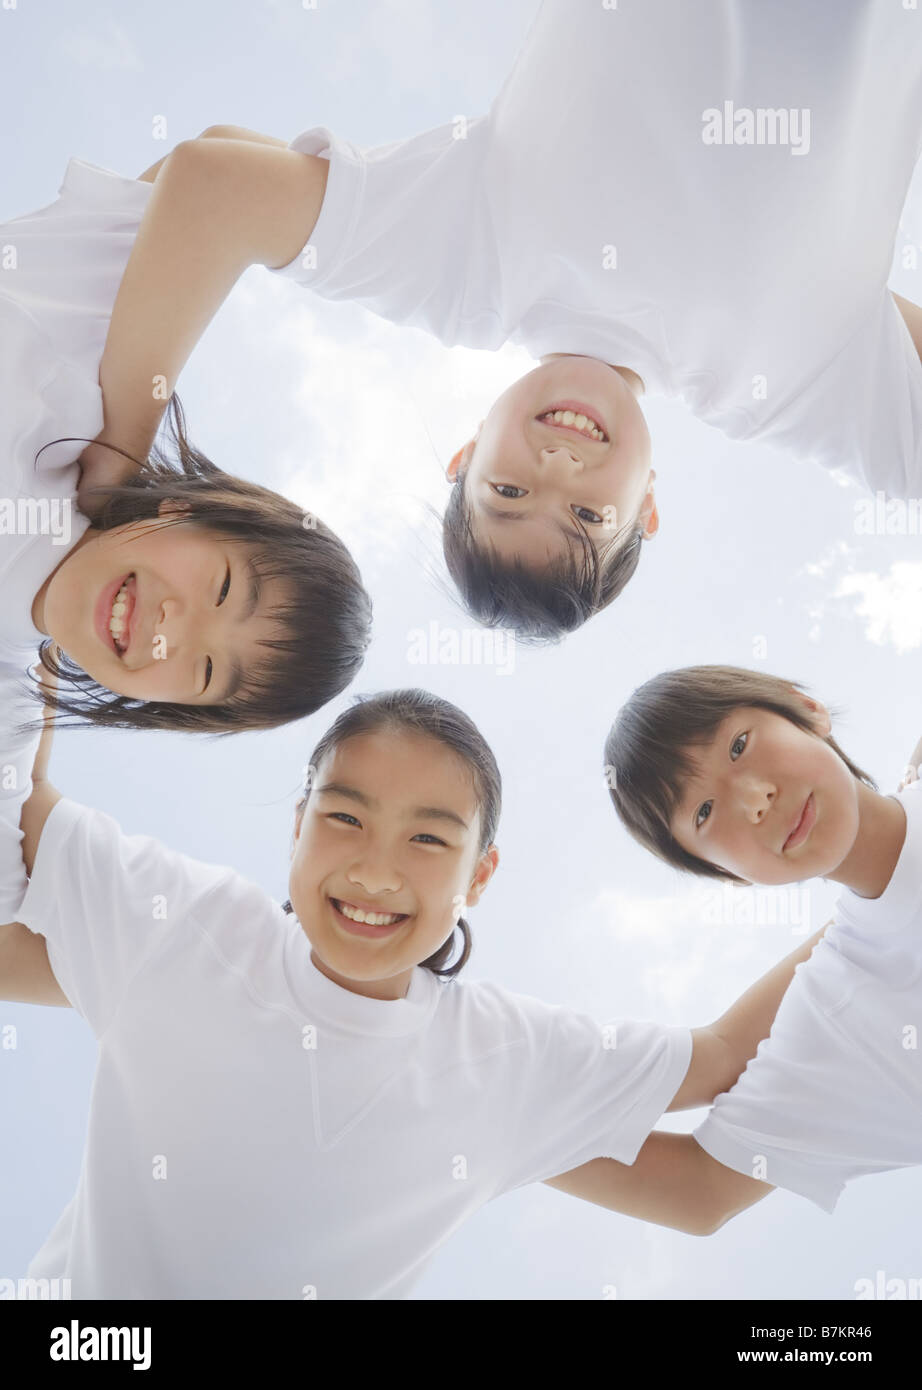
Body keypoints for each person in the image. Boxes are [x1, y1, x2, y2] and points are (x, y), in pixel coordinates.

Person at [4, 685, 830, 1298]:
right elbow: (23, 800)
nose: (374, 870)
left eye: (429, 838)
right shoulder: (182, 927)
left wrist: (898, 884)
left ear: (481, 875)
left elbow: (714, 1099)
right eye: (345, 818)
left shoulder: (503, 1063)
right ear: (297, 827)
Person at [0, 134, 372, 919]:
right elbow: (215, 163)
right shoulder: (83, 375)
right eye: (223, 586)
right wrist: (121, 443)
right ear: (189, 509)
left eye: (203, 674)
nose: (172, 630)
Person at [604, 664, 922, 1215]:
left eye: (738, 746)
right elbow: (699, 1190)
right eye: (704, 812)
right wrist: (490, 1120)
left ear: (807, 708)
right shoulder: (842, 1012)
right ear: (727, 872)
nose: (755, 799)